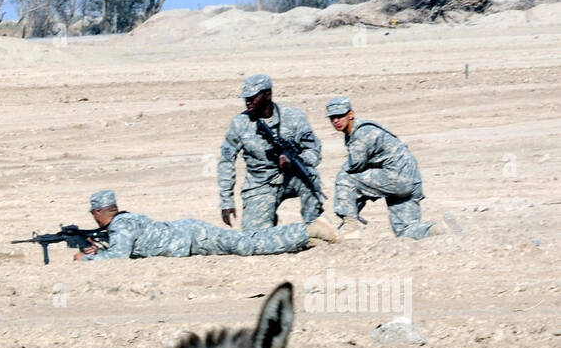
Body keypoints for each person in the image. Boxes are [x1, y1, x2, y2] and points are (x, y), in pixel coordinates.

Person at [75, 189, 336, 262]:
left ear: (98, 213)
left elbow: (119, 256)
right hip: (190, 235)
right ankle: (301, 238)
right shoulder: (127, 219)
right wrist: (99, 250)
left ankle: (309, 229)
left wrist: (86, 259)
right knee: (245, 243)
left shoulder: (121, 227)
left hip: (193, 237)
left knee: (245, 245)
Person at [326, 96, 442, 239]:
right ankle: (439, 229)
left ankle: (350, 229)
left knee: (345, 178)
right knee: (406, 231)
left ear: (351, 115)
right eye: (332, 117)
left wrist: (351, 206)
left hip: (397, 178)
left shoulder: (362, 132)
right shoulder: (358, 131)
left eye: (340, 116)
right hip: (410, 179)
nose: (336, 121)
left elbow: (354, 166)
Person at [218, 74, 323, 232]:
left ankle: (314, 226)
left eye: (253, 97)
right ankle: (268, 218)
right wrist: (227, 202)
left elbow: (314, 151)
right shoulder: (239, 123)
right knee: (254, 239)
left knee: (310, 175)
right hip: (259, 184)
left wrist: (295, 159)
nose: (248, 101)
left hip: (290, 178)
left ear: (268, 95)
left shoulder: (294, 117)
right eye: (246, 97)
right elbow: (226, 161)